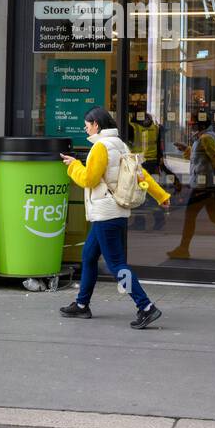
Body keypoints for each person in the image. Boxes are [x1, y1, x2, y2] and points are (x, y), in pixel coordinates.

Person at [59, 107, 170, 329]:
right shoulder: (120, 145)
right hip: (115, 212)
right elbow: (141, 174)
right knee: (89, 255)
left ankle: (146, 307)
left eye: (87, 124)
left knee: (117, 265)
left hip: (105, 214)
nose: (85, 127)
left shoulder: (101, 147)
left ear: (96, 125)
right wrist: (161, 195)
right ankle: (82, 305)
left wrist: (74, 166)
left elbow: (89, 179)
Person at [166, 113, 215, 260]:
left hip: (204, 185)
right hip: (207, 184)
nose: (192, 127)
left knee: (190, 215)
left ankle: (183, 248)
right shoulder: (203, 138)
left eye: (194, 124)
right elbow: (200, 157)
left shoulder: (206, 138)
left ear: (200, 125)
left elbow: (213, 157)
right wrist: (187, 149)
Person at [129, 112, 167, 231]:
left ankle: (144, 221)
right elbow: (159, 147)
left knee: (138, 192)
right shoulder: (155, 127)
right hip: (151, 162)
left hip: (139, 162)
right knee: (148, 192)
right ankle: (152, 219)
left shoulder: (133, 127)